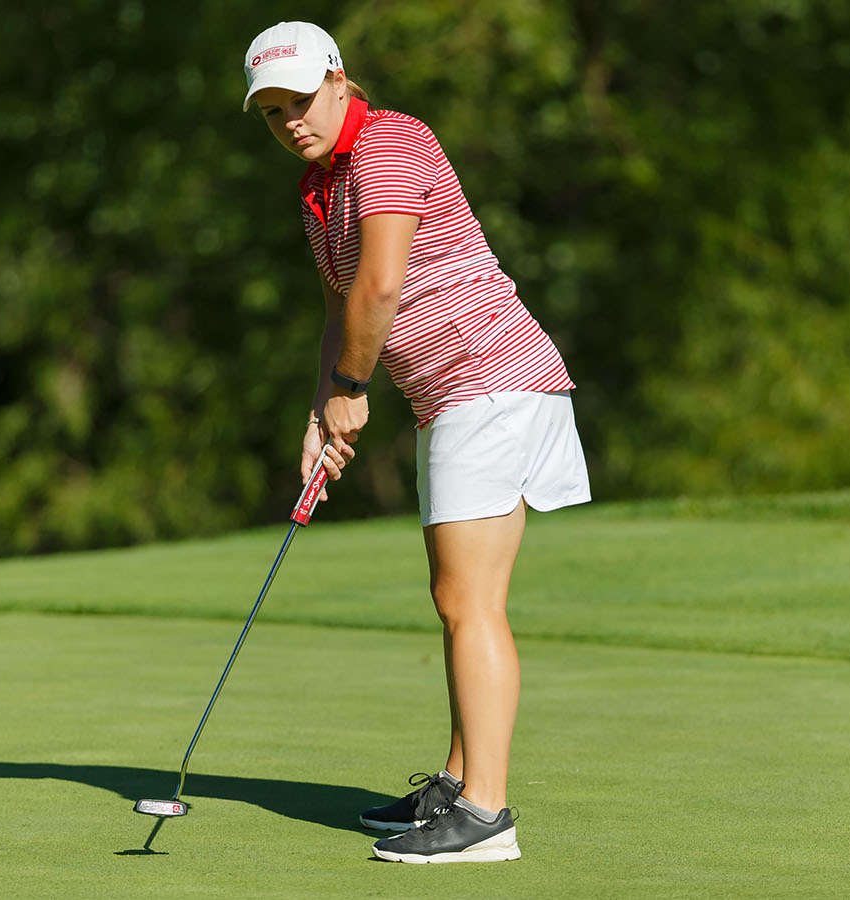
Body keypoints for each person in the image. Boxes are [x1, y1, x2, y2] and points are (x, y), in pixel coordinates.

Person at [242, 21, 591, 864]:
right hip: (463, 397)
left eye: (303, 100)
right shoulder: (320, 190)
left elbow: (382, 284)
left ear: (340, 80)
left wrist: (355, 393)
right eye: (273, 111)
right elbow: (338, 312)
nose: (292, 121)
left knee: (468, 601)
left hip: (491, 380)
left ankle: (487, 817)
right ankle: (459, 784)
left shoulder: (390, 142)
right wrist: (321, 411)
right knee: (458, 598)